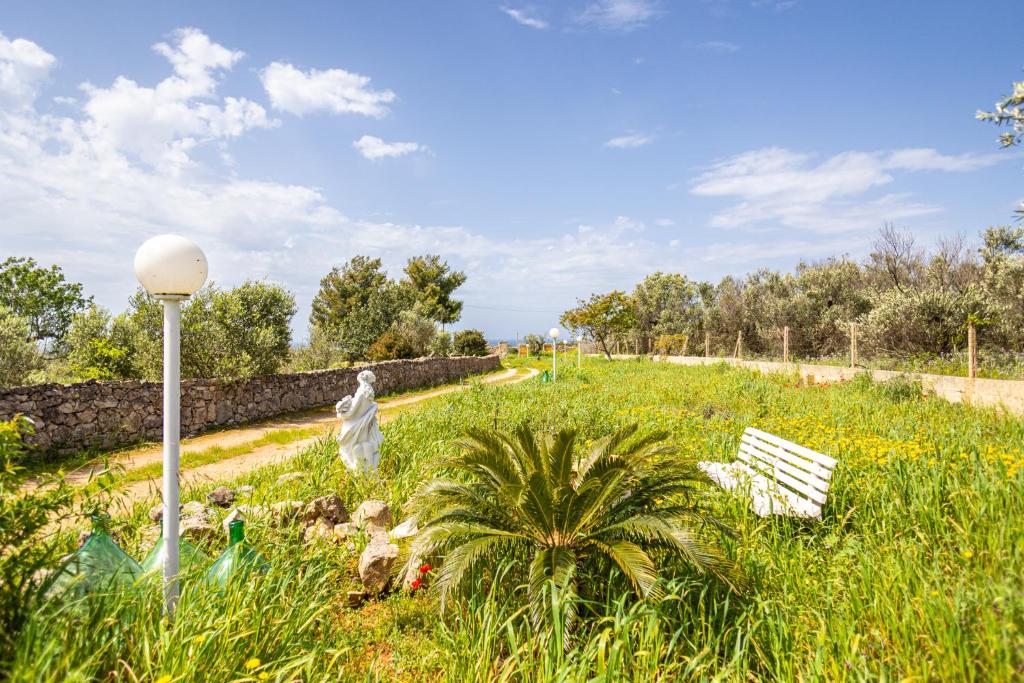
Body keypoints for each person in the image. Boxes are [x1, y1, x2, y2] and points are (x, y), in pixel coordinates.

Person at [335, 370, 384, 472]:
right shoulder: (370, 394)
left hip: (356, 425)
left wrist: (340, 414)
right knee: (366, 445)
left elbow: (351, 412)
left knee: (355, 448)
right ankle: (369, 471)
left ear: (361, 379)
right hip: (365, 423)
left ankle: (359, 471)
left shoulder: (361, 393)